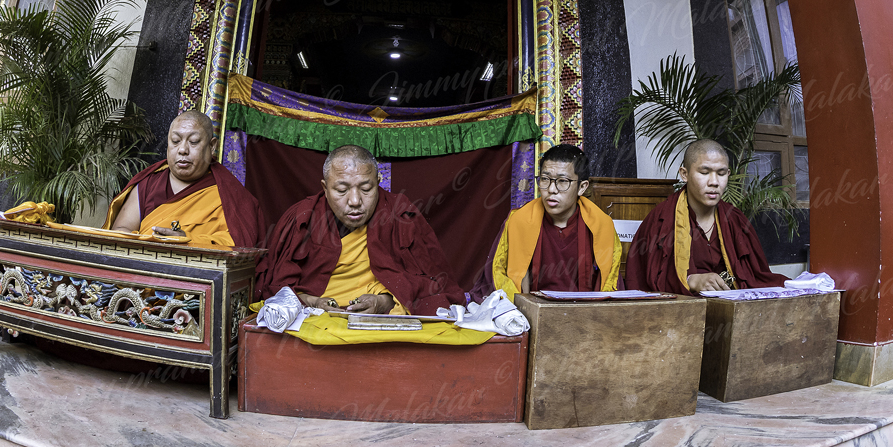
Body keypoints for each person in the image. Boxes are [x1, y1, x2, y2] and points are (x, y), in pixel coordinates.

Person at [253, 145, 465, 315]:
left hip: (385, 319)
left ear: (379, 183)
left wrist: (384, 301)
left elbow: (432, 284)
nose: (355, 201)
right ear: (325, 188)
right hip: (318, 319)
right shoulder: (302, 218)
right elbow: (275, 288)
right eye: (342, 190)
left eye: (366, 189)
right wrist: (312, 301)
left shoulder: (399, 213)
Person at [625, 139, 786, 295]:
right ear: (684, 174)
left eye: (721, 173)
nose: (714, 182)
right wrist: (690, 281)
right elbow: (642, 282)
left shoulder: (736, 219)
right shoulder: (661, 219)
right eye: (704, 172)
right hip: (683, 315)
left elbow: (757, 277)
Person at [472, 144, 621, 299]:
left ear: (582, 187)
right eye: (545, 179)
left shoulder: (601, 226)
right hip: (532, 315)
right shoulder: (519, 221)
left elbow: (610, 286)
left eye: (562, 181)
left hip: (585, 313)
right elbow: (497, 278)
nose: (551, 189)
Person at [105, 111, 265, 247]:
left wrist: (188, 241)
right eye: (175, 141)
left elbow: (240, 246)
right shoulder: (149, 183)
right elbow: (121, 230)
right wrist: (149, 247)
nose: (182, 149)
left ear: (212, 146)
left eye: (193, 142)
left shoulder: (229, 193)